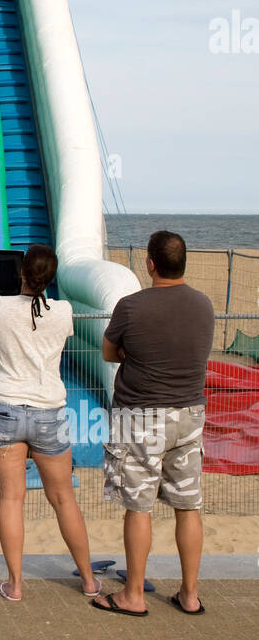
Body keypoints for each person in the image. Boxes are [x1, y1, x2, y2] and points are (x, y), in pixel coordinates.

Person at [94, 230, 214, 617]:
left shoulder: (131, 306)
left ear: (150, 263)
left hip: (142, 416)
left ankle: (133, 595)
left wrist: (134, 352)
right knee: (187, 506)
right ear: (183, 262)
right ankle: (190, 595)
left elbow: (109, 352)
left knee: (139, 507)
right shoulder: (203, 305)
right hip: (190, 415)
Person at [0, 245, 100, 602]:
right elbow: (47, 338)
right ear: (51, 277)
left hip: (6, 408)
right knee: (64, 499)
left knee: (11, 499)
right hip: (49, 410)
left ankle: (15, 585)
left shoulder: (0, 307)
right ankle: (89, 581)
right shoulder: (64, 311)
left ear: (22, 272)